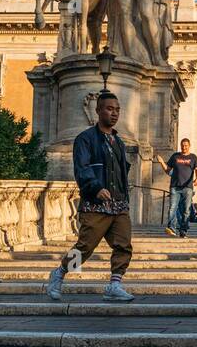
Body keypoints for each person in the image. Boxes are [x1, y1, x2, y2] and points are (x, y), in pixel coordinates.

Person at [46, 92, 135, 302]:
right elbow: (82, 168)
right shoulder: (85, 139)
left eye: (117, 109)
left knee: (124, 245)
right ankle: (59, 273)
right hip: (96, 204)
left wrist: (124, 196)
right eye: (109, 109)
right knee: (85, 248)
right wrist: (95, 187)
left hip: (119, 203)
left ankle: (114, 285)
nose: (114, 113)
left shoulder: (118, 142)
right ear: (98, 111)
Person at [165, 139, 197, 237]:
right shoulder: (175, 156)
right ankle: (171, 228)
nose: (184, 147)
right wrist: (161, 162)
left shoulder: (193, 157)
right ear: (180, 145)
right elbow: (168, 170)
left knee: (186, 210)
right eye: (183, 145)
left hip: (187, 188)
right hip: (175, 187)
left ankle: (183, 230)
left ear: (189, 145)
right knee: (172, 208)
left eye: (186, 145)